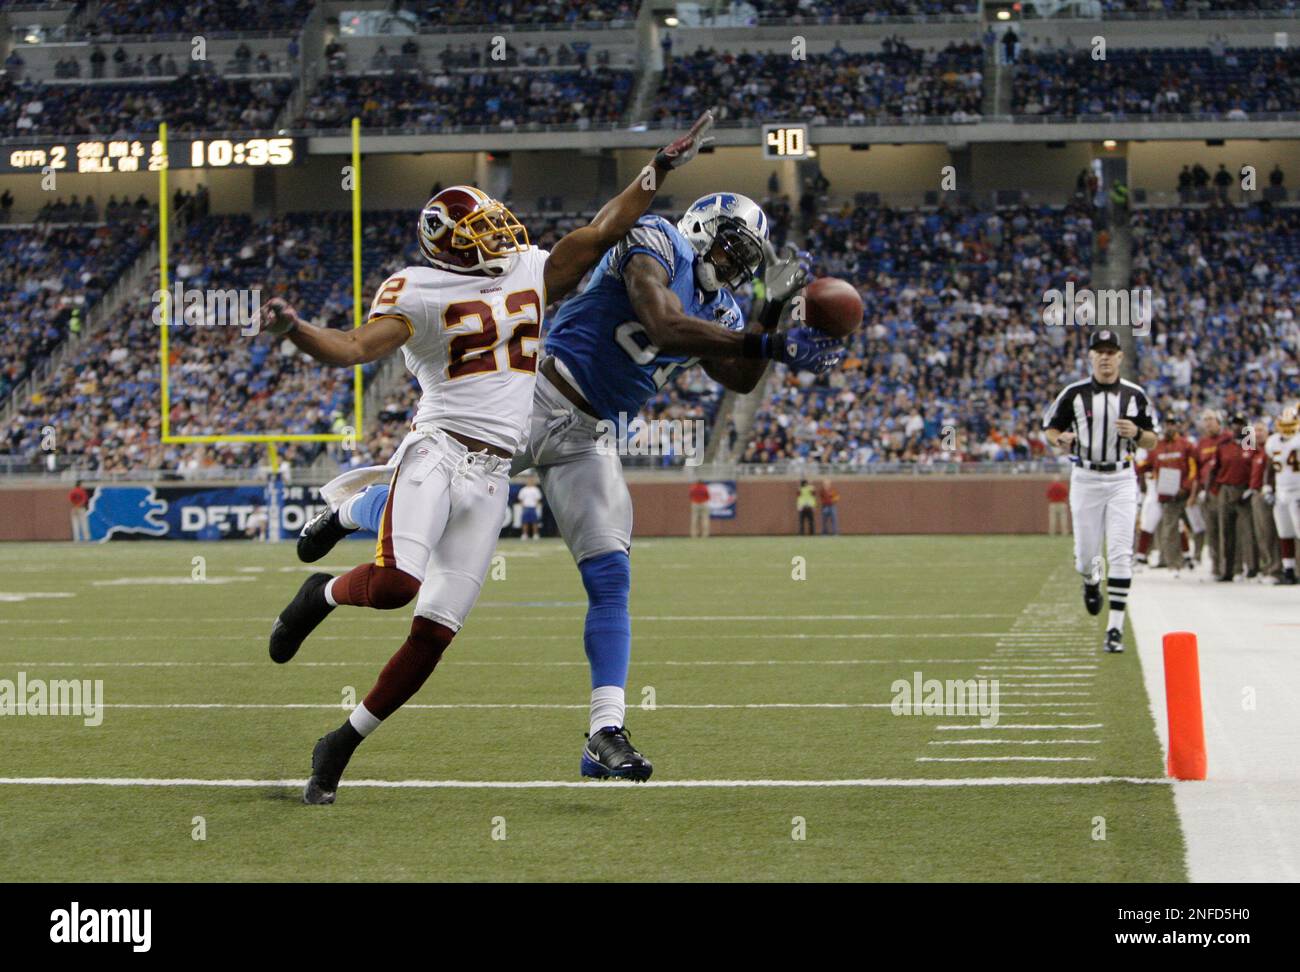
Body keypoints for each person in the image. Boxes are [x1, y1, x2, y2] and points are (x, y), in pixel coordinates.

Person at [297, 190, 839, 782]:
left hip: (593, 437)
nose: (736, 266)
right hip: (534, 399)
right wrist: (771, 341)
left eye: (748, 260)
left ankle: (605, 732)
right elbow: (661, 323)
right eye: (733, 247)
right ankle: (353, 510)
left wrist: (769, 306)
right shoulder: (658, 240)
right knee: (444, 507)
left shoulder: (729, 311)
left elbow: (739, 377)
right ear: (705, 228)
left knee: (611, 577)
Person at [257, 112, 718, 804]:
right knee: (394, 586)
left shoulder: (531, 269)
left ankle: (339, 744)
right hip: (436, 450)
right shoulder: (417, 289)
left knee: (434, 634)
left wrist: (657, 169)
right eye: (480, 233)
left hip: (493, 474)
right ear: (448, 250)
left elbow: (604, 229)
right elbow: (353, 349)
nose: (500, 238)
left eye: (496, 224)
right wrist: (295, 330)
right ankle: (320, 591)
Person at [1041, 329, 1159, 654]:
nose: (1105, 357)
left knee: (1121, 553)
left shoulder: (1134, 395)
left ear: (1120, 357)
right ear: (1091, 357)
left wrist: (1137, 432)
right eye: (1099, 352)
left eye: (1111, 352)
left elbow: (1153, 438)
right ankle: (1091, 582)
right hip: (1086, 477)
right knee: (1087, 556)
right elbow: (1050, 427)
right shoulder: (1074, 393)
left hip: (1121, 476)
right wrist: (1060, 439)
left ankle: (1115, 629)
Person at [1203, 413, 1254, 582]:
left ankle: (1249, 568)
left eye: (1241, 424)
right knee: (1226, 531)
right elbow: (1214, 469)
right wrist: (1210, 490)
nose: (1237, 427)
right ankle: (1228, 570)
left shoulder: (1250, 444)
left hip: (1245, 490)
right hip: (1225, 489)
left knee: (1247, 531)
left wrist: (1251, 488)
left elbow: (1255, 466)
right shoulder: (1223, 445)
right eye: (1235, 424)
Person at [1264, 406, 1300, 585]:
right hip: (1281, 492)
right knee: (1284, 531)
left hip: (1298, 491)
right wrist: (1267, 487)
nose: (1287, 427)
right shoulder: (1272, 442)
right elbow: (1270, 466)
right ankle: (1288, 569)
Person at [1191, 409, 1228, 575]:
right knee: (1212, 531)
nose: (1208, 423)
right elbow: (1197, 471)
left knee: (1226, 530)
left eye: (1211, 419)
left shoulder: (1229, 438)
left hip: (1223, 488)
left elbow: (1247, 451)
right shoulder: (1202, 443)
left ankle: (1230, 565)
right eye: (1205, 420)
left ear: (1219, 421)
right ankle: (1216, 565)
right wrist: (1195, 492)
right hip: (1207, 491)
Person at [1248, 420, 1279, 580]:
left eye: (1261, 430)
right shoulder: (1255, 451)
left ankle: (1275, 568)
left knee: (1270, 533)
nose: (1258, 433)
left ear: (1268, 432)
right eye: (1255, 431)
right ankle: (1266, 567)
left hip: (1265, 494)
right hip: (1254, 494)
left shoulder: (1271, 449)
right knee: (1260, 535)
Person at [517, 475, 543, 541]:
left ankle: (535, 534)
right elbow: (521, 499)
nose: (530, 481)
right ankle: (524, 534)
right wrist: (523, 505)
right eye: (528, 480)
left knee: (534, 522)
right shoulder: (523, 490)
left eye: (531, 480)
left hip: (533, 508)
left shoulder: (535, 489)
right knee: (525, 522)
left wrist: (536, 506)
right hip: (526, 508)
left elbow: (538, 499)